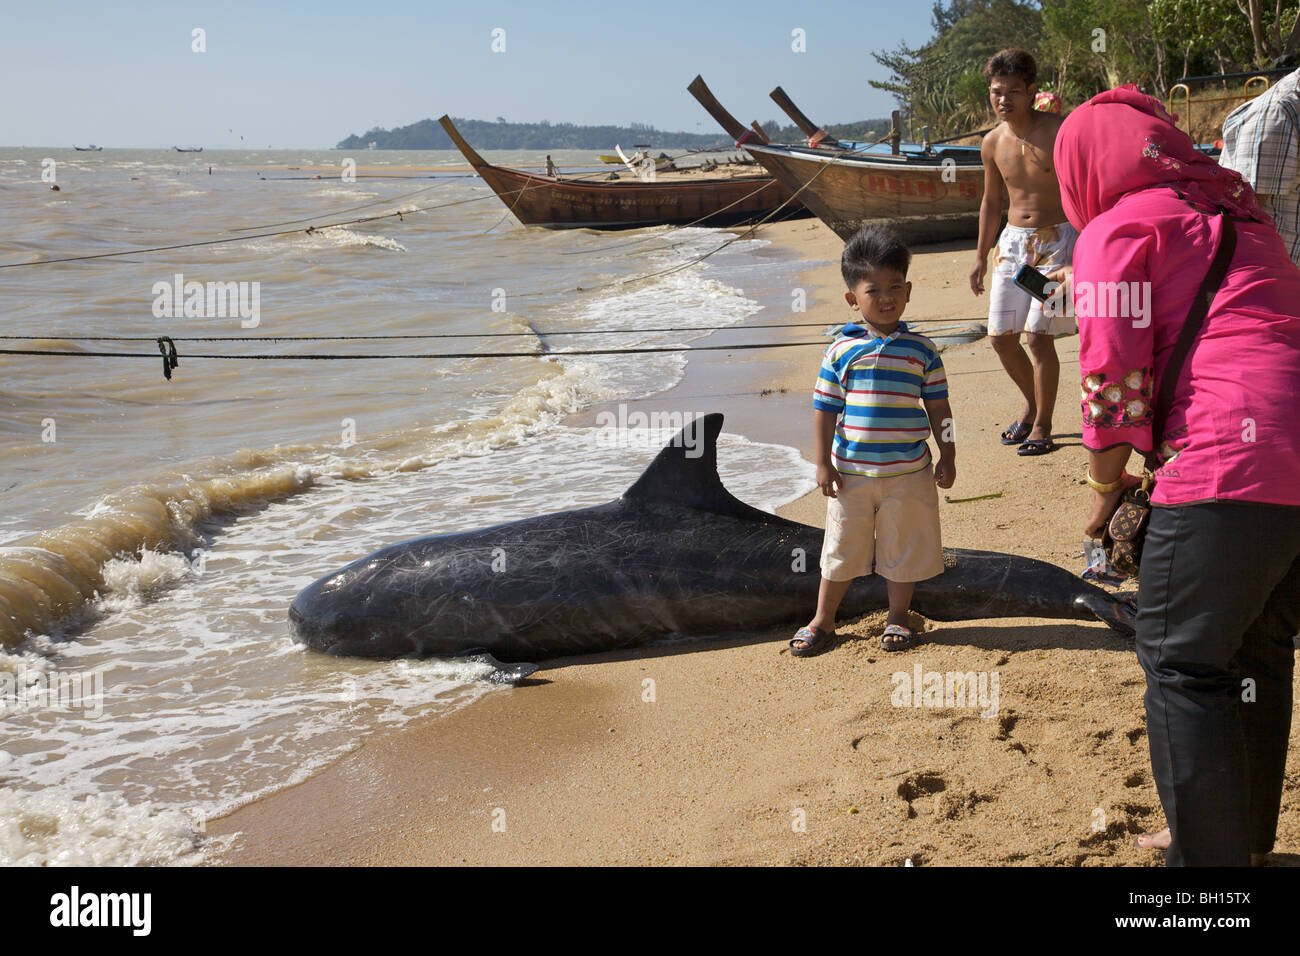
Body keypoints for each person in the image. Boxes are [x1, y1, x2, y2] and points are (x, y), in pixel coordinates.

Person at [1054, 84, 1300, 867]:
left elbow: (1110, 377)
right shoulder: (1244, 216)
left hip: (1227, 462)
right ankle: (1243, 848)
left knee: (1181, 664)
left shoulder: (1116, 227)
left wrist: (1104, 489)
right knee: (1258, 651)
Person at [790, 226, 956, 657]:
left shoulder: (923, 350)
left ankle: (898, 618)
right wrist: (822, 464)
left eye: (895, 288)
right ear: (852, 298)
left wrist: (948, 453)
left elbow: (940, 409)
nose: (886, 298)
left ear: (908, 290)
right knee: (841, 548)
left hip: (910, 474)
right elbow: (825, 410)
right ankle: (822, 620)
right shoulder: (840, 353)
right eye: (873, 290)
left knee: (904, 547)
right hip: (850, 475)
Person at [969, 48, 1074, 456]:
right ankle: (1031, 405)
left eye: (1014, 90)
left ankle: (1043, 424)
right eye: (996, 92)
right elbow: (991, 202)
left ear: (1032, 91)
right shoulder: (992, 143)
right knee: (1000, 338)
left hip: (1059, 242)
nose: (1004, 99)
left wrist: (1083, 249)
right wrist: (980, 255)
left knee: (1037, 338)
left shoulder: (1059, 131)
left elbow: (1082, 187)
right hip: (1012, 245)